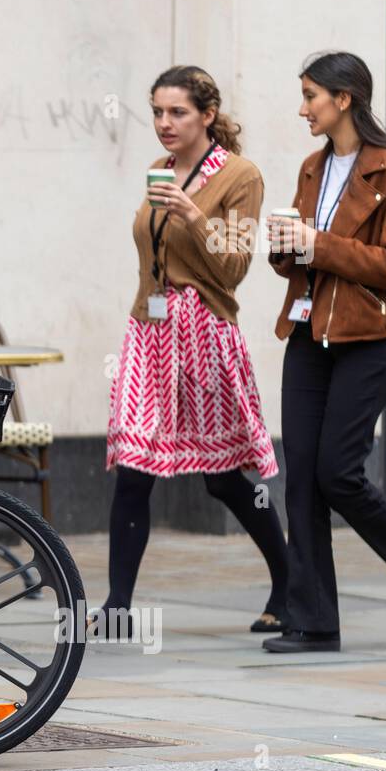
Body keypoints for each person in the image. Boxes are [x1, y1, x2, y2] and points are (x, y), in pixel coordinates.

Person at [265, 51, 386, 653]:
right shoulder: (309, 168)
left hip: (368, 338)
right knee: (300, 480)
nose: (303, 108)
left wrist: (316, 244)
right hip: (308, 334)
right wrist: (284, 247)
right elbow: (302, 258)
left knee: (338, 473)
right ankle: (314, 621)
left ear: (344, 99)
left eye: (311, 96)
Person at [97, 65, 289, 638]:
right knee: (133, 467)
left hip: (204, 332)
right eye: (157, 112)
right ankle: (117, 607)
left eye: (177, 112)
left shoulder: (240, 176)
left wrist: (192, 213)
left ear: (207, 115)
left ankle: (288, 579)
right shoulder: (158, 169)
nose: (164, 123)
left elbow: (232, 268)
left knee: (224, 476)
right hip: (149, 330)